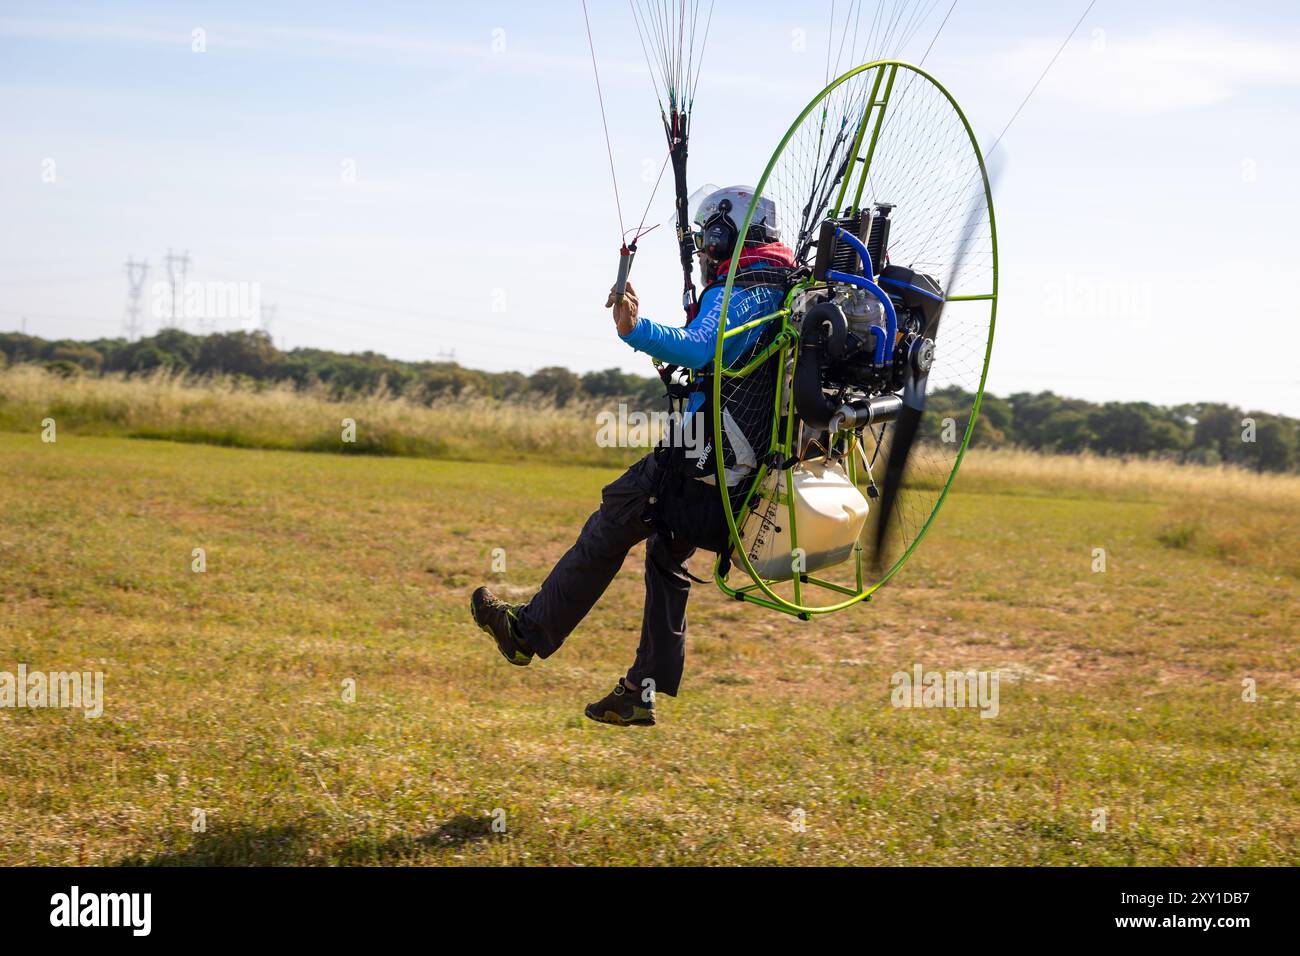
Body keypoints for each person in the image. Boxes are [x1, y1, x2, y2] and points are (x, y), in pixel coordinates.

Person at [471, 185, 795, 726]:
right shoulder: (777, 283)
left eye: (711, 236)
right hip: (740, 467)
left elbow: (701, 346)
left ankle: (526, 634)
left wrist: (635, 329)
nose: (706, 248)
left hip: (702, 461)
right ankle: (640, 692)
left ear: (730, 234)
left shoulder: (742, 289)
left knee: (614, 516)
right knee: (668, 553)